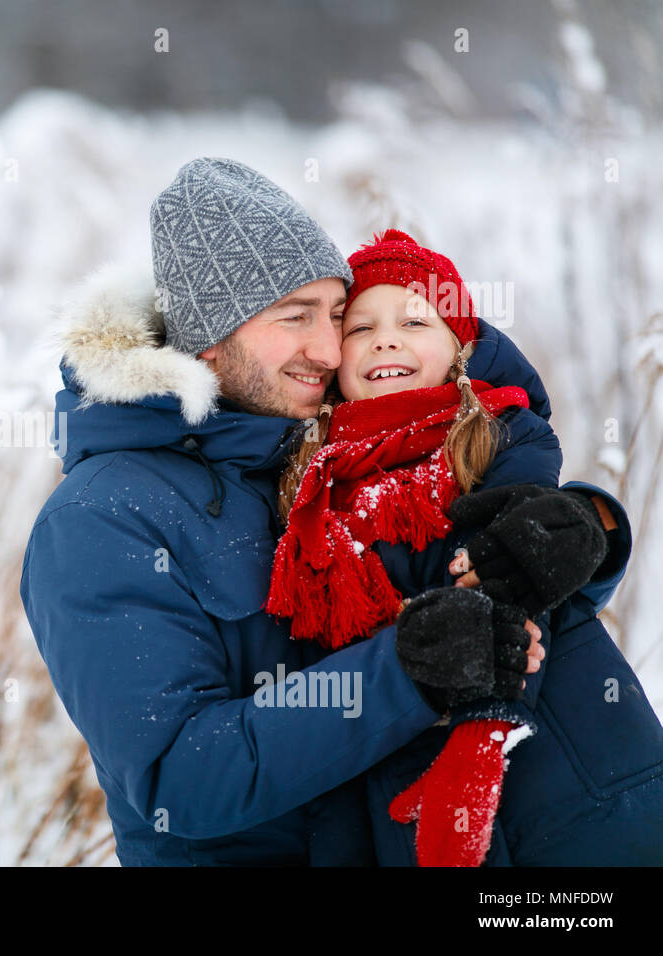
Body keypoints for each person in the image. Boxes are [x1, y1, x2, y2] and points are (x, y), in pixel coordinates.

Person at [19, 157, 619, 865]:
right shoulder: (100, 519)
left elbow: (471, 550)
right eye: (295, 317)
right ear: (209, 335)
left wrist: (583, 535)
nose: (331, 348)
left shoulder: (327, 442)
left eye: (337, 315)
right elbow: (179, 778)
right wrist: (409, 672)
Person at [267, 229, 663, 865]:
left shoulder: (497, 438)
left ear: (460, 347)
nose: (385, 339)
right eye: (360, 329)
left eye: (414, 321)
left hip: (570, 782)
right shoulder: (310, 483)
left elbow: (517, 584)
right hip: (398, 795)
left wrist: (479, 738)